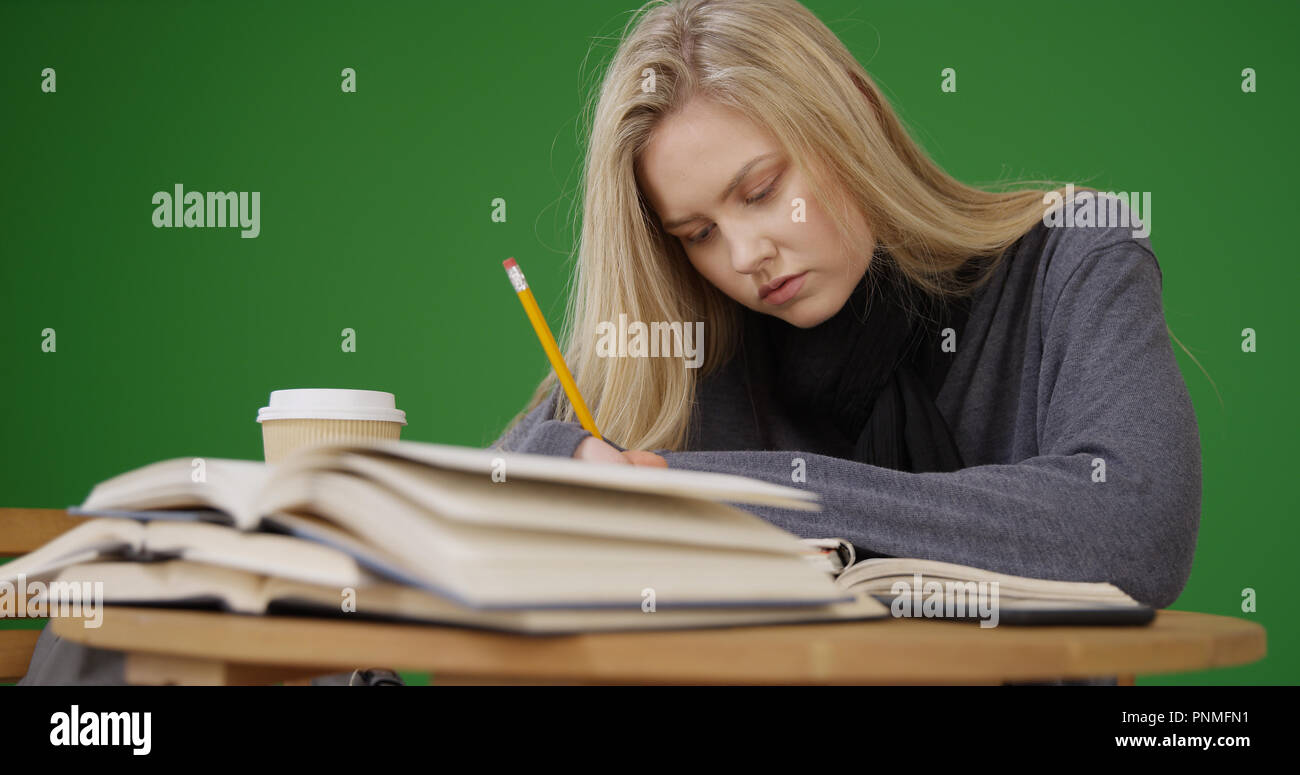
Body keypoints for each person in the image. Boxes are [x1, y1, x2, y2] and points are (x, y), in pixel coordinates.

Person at [491, 0, 1201, 621]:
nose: (744, 256)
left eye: (762, 190)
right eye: (698, 234)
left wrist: (709, 496)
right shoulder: (688, 337)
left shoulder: (1070, 259)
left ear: (851, 116)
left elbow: (1137, 527)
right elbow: (462, 512)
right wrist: (566, 456)